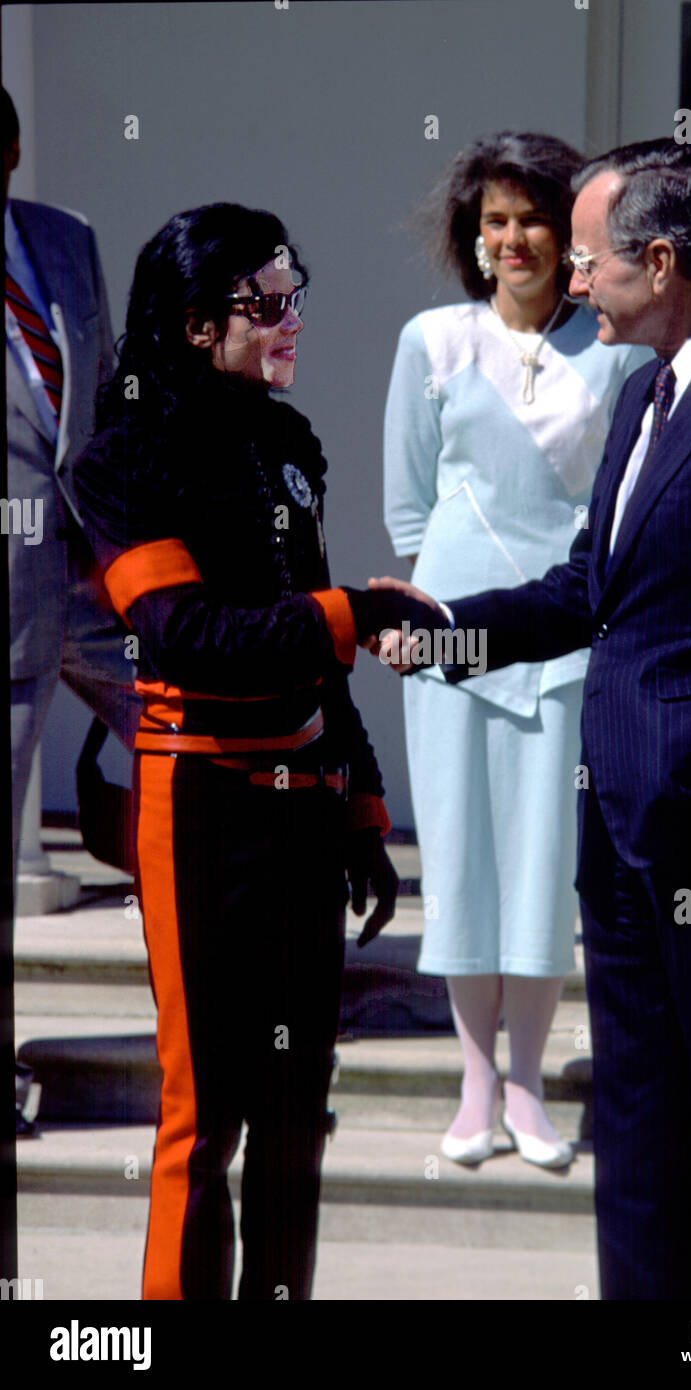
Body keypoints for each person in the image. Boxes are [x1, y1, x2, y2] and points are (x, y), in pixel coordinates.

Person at [371, 140, 691, 1299]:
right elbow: (586, 589)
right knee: (635, 1100)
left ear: (659, 257)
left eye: (591, 260)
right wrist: (441, 627)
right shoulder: (642, 388)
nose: (572, 281)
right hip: (623, 814)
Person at [72, 202, 431, 1300]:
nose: (291, 320)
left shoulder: (285, 442)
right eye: (265, 303)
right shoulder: (121, 460)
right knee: (207, 1107)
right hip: (202, 806)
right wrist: (354, 613)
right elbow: (185, 637)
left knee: (292, 1104)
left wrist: (364, 801)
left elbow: (309, 638)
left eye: (295, 295)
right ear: (192, 325)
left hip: (303, 799)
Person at [383, 131, 649, 1168]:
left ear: (567, 227)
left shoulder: (616, 348)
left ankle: (530, 1082)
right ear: (472, 235)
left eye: (531, 217)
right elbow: (409, 498)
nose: (512, 238)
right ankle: (473, 1082)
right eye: (493, 220)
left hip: (568, 629)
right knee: (457, 857)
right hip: (451, 628)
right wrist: (427, 617)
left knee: (541, 861)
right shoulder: (431, 341)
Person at [4, 84, 140, 1140]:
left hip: (92, 573)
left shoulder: (64, 239)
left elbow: (101, 387)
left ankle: (253, 1002)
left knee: (210, 727)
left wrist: (117, 534)